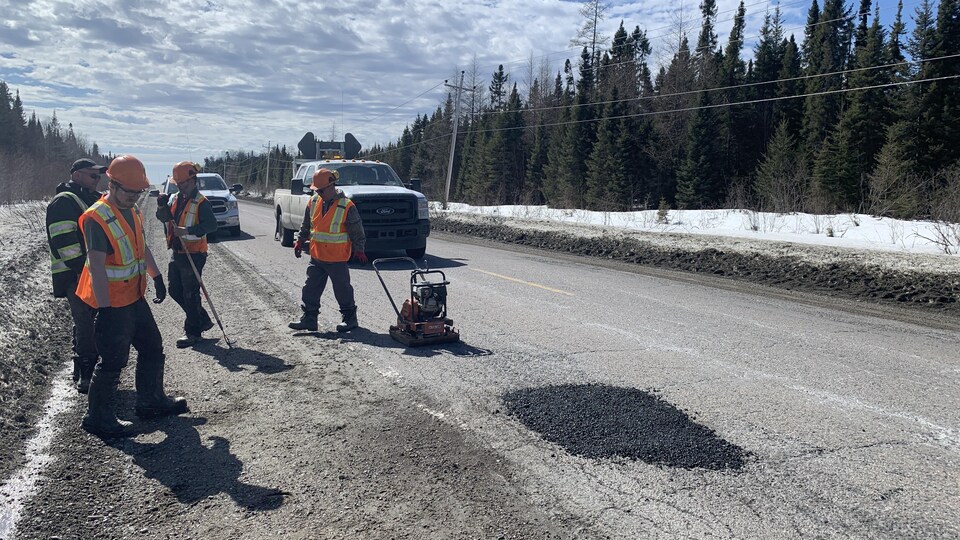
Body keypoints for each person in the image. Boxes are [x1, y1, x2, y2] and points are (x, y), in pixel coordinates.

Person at [76, 154, 188, 437]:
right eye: (129, 192)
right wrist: (104, 309)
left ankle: (150, 400)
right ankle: (97, 417)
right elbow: (96, 267)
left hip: (134, 296)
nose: (133, 198)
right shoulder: (98, 218)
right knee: (113, 360)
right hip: (113, 302)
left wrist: (157, 276)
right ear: (112, 185)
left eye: (138, 193)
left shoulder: (133, 211)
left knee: (152, 346)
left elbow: (141, 247)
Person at [46, 158, 107, 393]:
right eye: (93, 175)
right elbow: (64, 241)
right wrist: (85, 270)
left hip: (93, 272)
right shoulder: (64, 201)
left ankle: (85, 368)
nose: (97, 179)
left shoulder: (92, 198)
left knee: (93, 320)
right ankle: (86, 373)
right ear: (77, 175)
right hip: (76, 274)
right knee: (86, 323)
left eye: (98, 175)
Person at [288, 168, 367, 332]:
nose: (318, 193)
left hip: (337, 258)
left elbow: (357, 231)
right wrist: (300, 240)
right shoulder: (313, 202)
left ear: (332, 186)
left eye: (321, 190)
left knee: (342, 289)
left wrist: (359, 250)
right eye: (316, 190)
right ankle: (309, 319)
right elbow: (306, 224)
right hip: (317, 255)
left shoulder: (346, 206)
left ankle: (350, 319)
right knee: (310, 288)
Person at [156, 161, 217, 348]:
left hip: (194, 252)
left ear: (193, 180)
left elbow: (211, 225)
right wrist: (161, 206)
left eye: (183, 183)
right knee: (174, 290)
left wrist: (188, 231)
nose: (180, 186)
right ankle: (201, 319)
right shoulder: (175, 198)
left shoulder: (201, 202)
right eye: (178, 183)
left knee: (190, 293)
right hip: (178, 251)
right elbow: (163, 218)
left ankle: (193, 333)